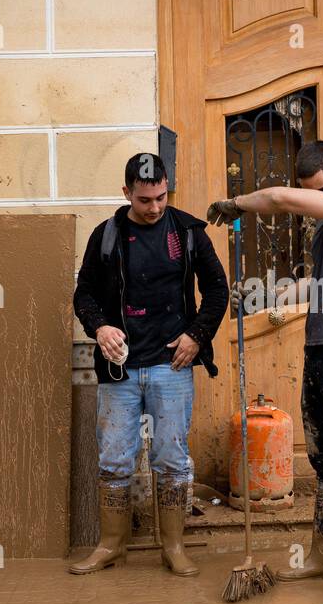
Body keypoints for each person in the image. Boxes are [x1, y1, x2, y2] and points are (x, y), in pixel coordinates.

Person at [206, 140, 323, 604]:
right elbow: (320, 283)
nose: (319, 201)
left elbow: (282, 199)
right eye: (315, 195)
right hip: (321, 348)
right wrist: (263, 296)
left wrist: (235, 203)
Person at [71, 153, 228, 577]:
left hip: (171, 366)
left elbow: (217, 290)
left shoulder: (189, 232)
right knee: (114, 460)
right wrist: (100, 327)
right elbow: (83, 294)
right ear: (126, 193)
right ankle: (110, 546)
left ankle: (173, 546)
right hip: (119, 369)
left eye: (160, 197)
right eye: (144, 200)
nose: (154, 207)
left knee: (172, 459)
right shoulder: (106, 236)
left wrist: (197, 336)